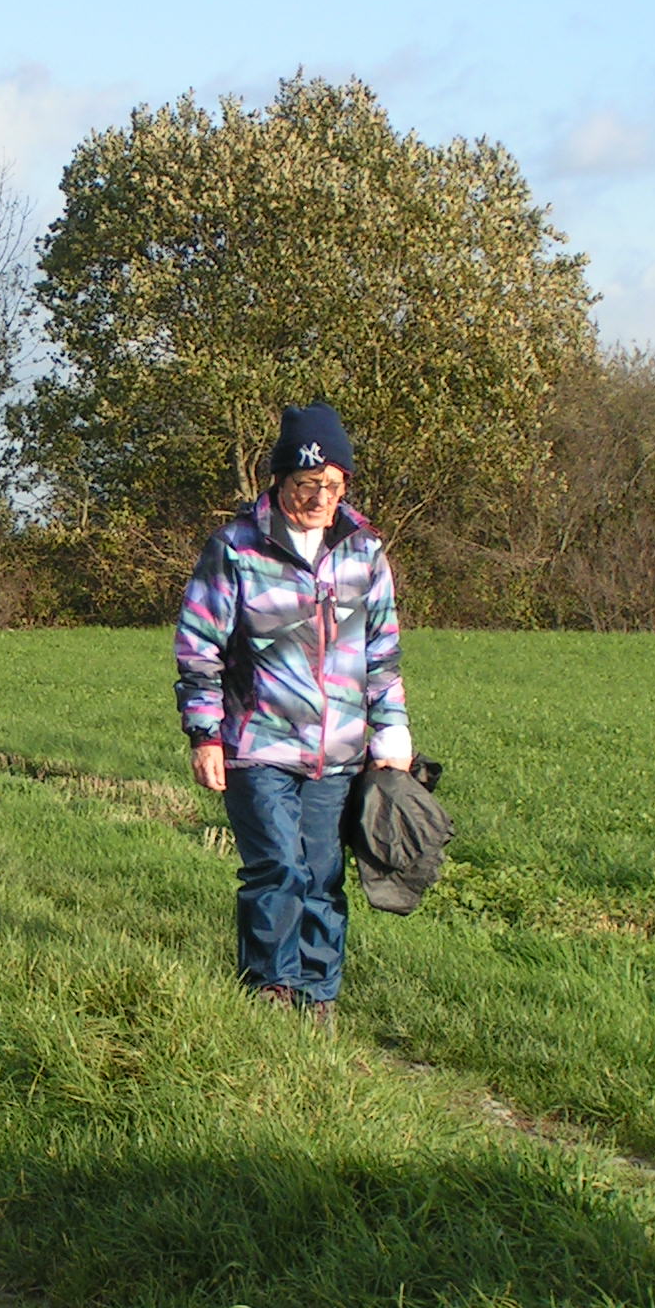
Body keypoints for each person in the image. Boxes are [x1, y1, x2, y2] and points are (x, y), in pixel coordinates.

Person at [174, 401, 413, 1036]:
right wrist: (205, 734)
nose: (318, 497)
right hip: (256, 743)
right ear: (278, 482)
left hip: (338, 751)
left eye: (331, 485)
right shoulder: (235, 548)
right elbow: (200, 646)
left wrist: (392, 734)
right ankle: (270, 988)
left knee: (323, 875)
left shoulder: (365, 552)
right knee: (276, 866)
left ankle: (318, 993)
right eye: (306, 485)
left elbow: (382, 653)